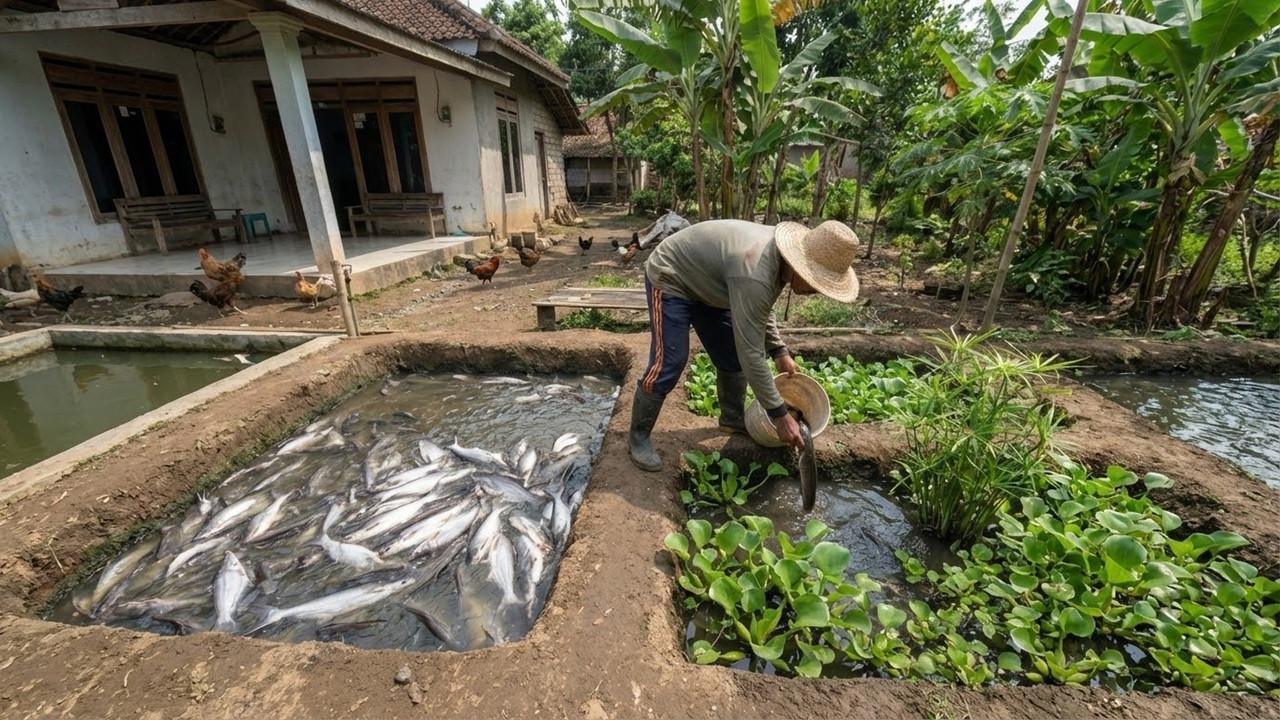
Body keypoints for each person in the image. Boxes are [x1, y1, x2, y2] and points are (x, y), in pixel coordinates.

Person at [629, 219, 861, 471]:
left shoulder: (776, 262)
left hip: (712, 284)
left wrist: (778, 350)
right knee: (670, 361)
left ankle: (732, 419)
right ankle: (638, 437)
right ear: (800, 265)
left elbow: (760, 309)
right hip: (672, 275)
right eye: (816, 283)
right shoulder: (756, 269)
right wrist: (779, 415)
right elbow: (750, 351)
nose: (815, 291)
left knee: (730, 357)